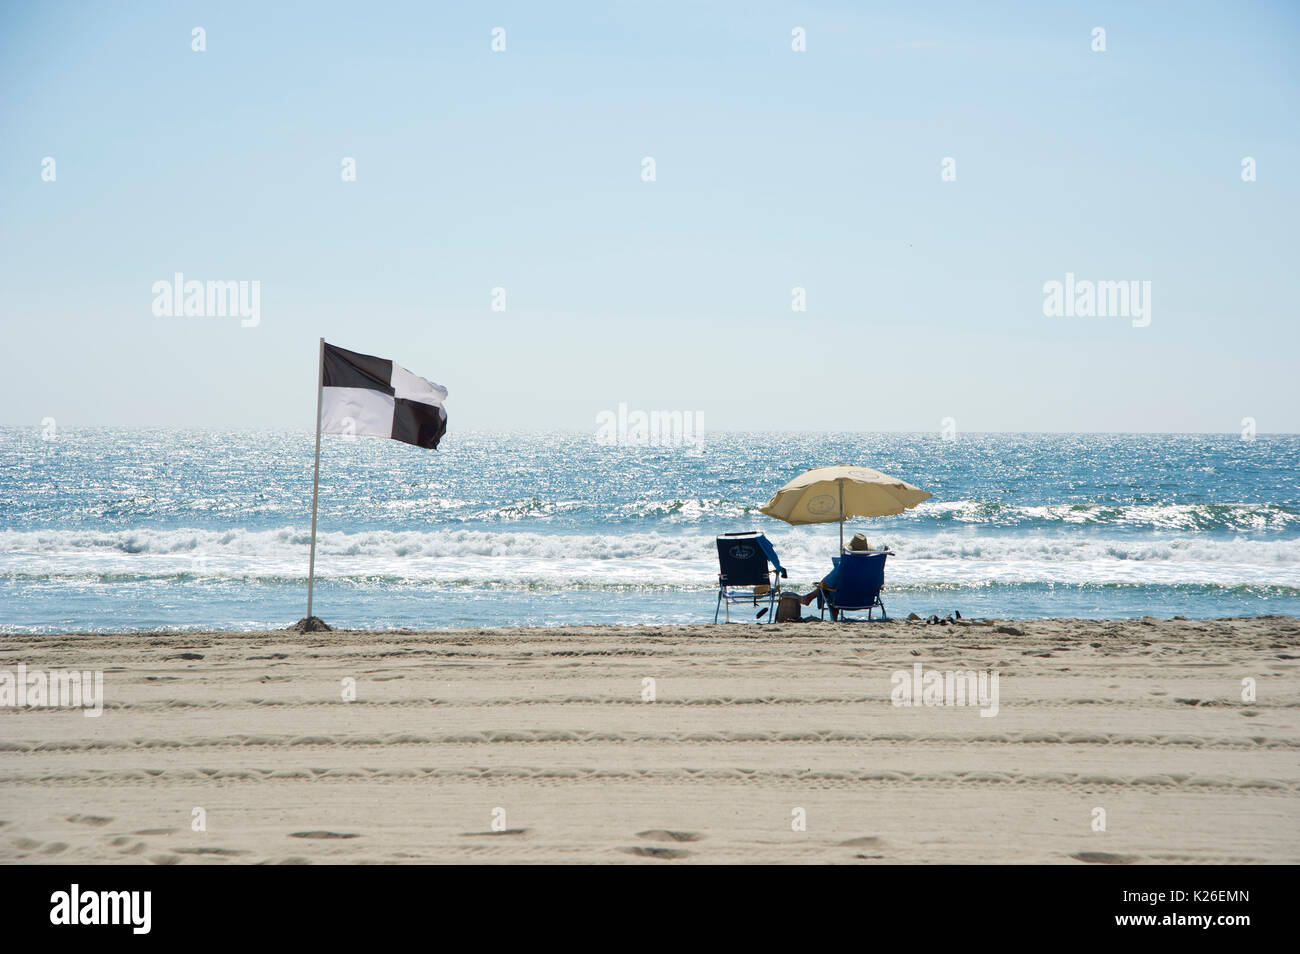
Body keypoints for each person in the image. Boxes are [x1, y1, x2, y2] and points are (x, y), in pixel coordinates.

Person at [798, 533, 872, 619]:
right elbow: (879, 584)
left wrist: (821, 583)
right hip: (866, 600)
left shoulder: (845, 565)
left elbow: (827, 583)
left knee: (829, 587)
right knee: (833, 584)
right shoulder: (873, 566)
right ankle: (808, 597)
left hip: (844, 600)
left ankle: (809, 598)